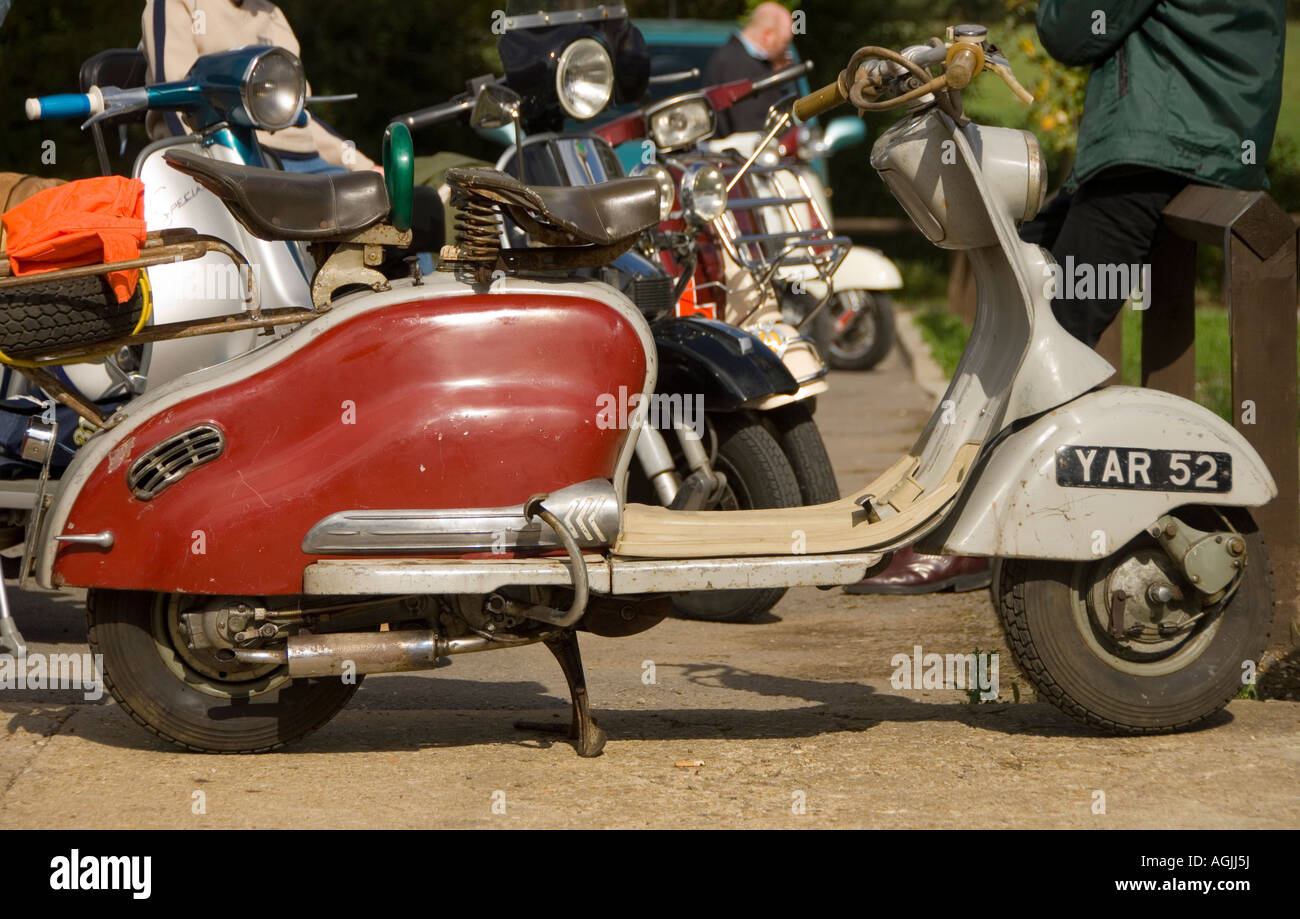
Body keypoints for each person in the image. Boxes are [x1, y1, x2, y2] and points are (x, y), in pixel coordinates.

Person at [848, 0, 1286, 597]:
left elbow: (1069, 31)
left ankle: (980, 538)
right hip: (1196, 137)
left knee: (1049, 332)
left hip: (1159, 145)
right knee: (1026, 277)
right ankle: (959, 512)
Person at [142, 0, 377, 174]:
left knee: (379, 200)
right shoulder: (177, 5)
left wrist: (364, 166)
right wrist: (209, 173)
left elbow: (298, 114)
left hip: (307, 163)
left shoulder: (272, 14)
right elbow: (176, 102)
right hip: (239, 159)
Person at [702, 2, 794, 136]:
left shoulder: (740, 60)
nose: (786, 51)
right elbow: (752, 129)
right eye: (784, 43)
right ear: (768, 35)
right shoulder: (736, 64)